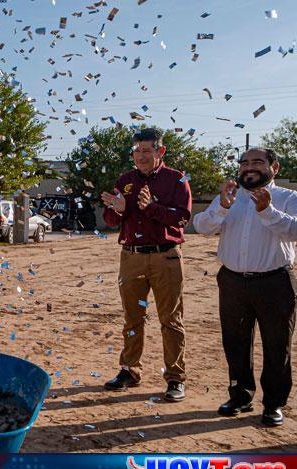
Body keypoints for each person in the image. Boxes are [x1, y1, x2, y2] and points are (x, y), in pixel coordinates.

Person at [193, 147, 297, 427]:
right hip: (232, 281)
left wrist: (268, 211)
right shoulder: (230, 197)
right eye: (244, 162)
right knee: (235, 343)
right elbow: (201, 227)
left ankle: (274, 404)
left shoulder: (289, 198)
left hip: (274, 282)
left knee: (277, 346)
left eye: (257, 162)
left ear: (274, 168)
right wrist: (222, 207)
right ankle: (240, 396)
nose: (249, 167)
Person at [99, 128, 192, 402]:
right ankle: (129, 370)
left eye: (146, 150)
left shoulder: (177, 180)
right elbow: (111, 220)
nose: (140, 156)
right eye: (137, 150)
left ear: (160, 152)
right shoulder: (125, 180)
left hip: (166, 257)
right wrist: (117, 208)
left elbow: (182, 218)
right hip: (131, 256)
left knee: (171, 319)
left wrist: (151, 207)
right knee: (132, 317)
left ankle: (175, 378)